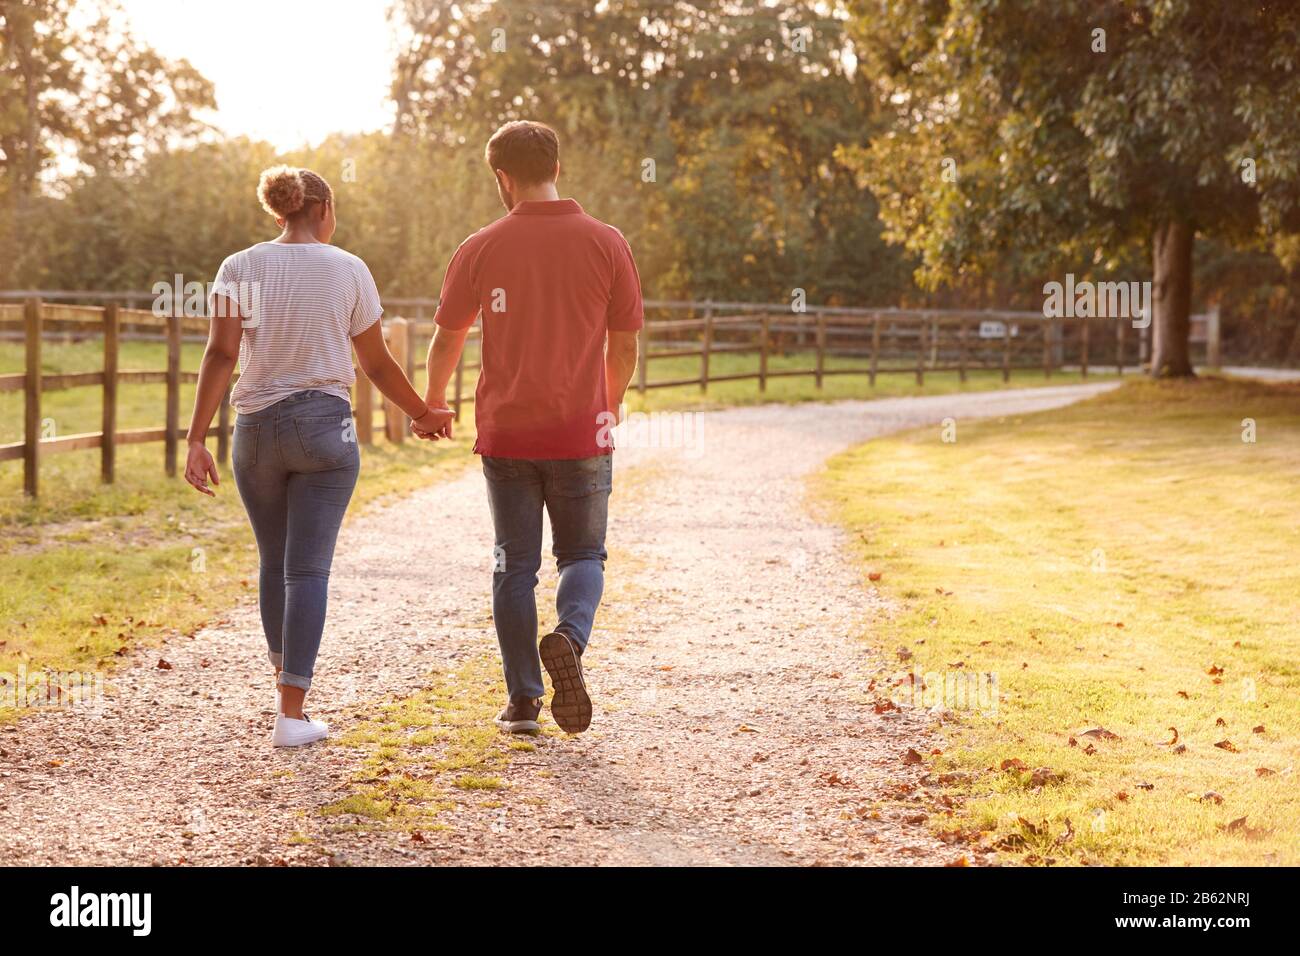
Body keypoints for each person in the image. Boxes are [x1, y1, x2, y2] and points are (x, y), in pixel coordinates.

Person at [183, 165, 451, 747]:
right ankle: (291, 713)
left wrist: (196, 436)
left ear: (280, 212)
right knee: (307, 570)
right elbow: (376, 363)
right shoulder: (349, 269)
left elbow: (221, 353)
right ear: (323, 210)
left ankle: (285, 692)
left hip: (254, 432)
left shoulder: (239, 266)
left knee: (273, 561)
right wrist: (423, 414)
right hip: (325, 430)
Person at [415, 121, 643, 735]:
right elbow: (624, 345)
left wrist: (433, 403)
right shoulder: (606, 242)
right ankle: (568, 637)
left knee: (512, 565)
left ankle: (522, 702)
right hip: (580, 433)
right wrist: (609, 402)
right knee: (583, 554)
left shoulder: (481, 246)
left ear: (502, 177)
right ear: (557, 168)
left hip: (508, 434)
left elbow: (447, 338)